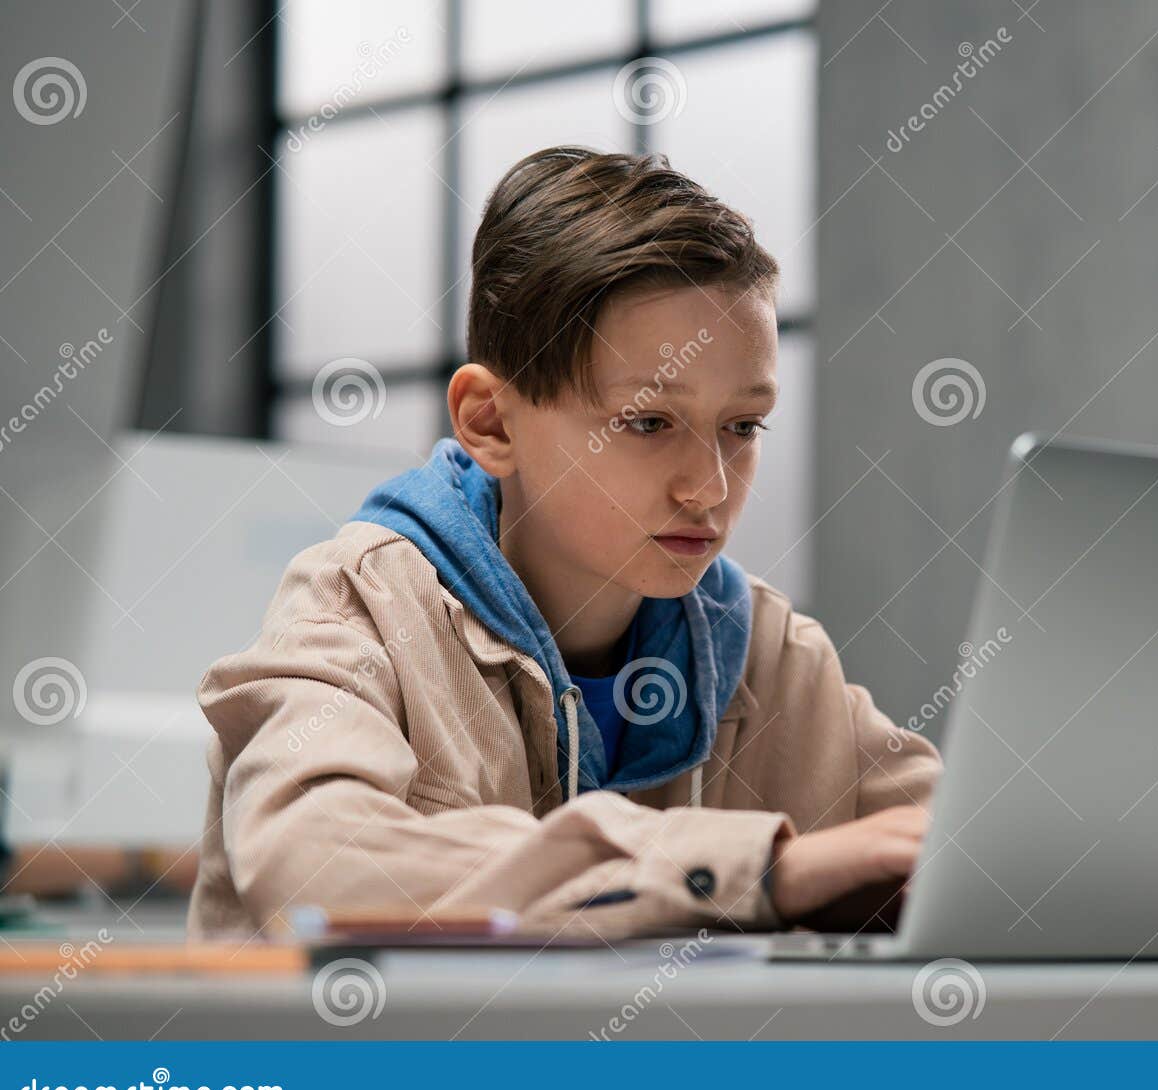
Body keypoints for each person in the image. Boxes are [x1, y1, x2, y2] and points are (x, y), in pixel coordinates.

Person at [186, 146, 941, 941]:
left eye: (742, 426)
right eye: (648, 423)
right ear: (491, 421)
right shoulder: (355, 608)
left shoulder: (774, 655)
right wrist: (754, 868)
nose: (710, 487)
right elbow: (319, 869)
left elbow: (1000, 856)